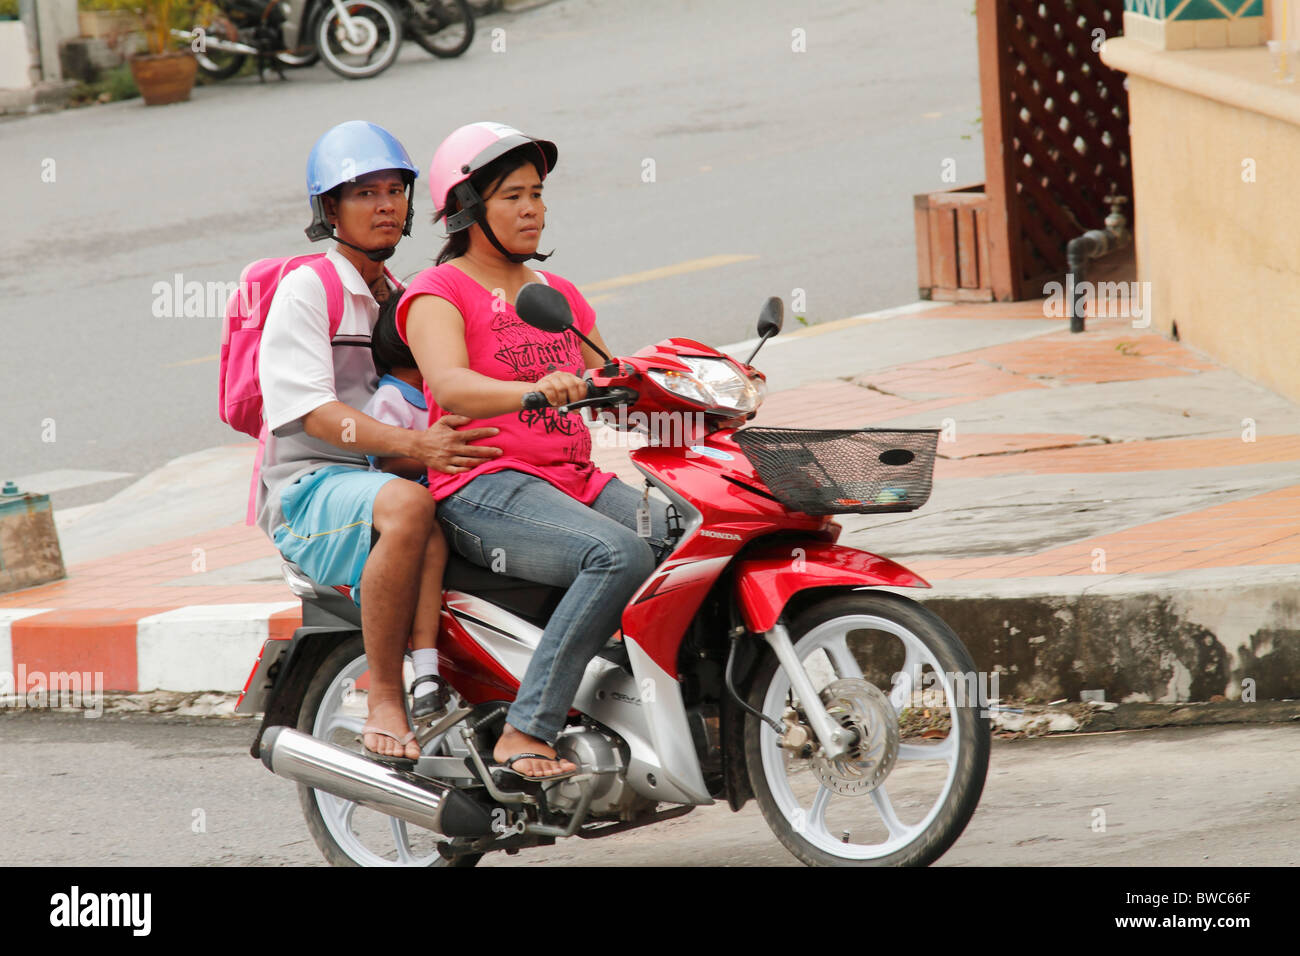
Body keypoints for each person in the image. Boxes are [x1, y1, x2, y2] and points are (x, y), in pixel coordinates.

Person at [396, 122, 670, 780]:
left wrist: (688, 394)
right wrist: (533, 391)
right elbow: (449, 383)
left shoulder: (558, 294)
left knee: (687, 534)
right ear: (466, 210)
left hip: (573, 478)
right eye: (512, 195)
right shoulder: (439, 291)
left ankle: (649, 706)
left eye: (538, 193)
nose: (532, 209)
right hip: (485, 483)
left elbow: (611, 377)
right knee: (618, 553)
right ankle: (525, 730)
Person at [256, 121, 502, 763]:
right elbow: (311, 413)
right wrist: (415, 447)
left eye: (395, 190)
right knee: (407, 505)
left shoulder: (404, 295)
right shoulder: (309, 289)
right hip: (312, 490)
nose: (386, 204)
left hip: (391, 473)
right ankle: (386, 696)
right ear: (329, 209)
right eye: (364, 193)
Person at [360, 296, 448, 718]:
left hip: (445, 494)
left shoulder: (440, 391)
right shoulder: (392, 399)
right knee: (432, 550)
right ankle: (426, 668)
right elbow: (386, 457)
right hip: (417, 504)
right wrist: (439, 456)